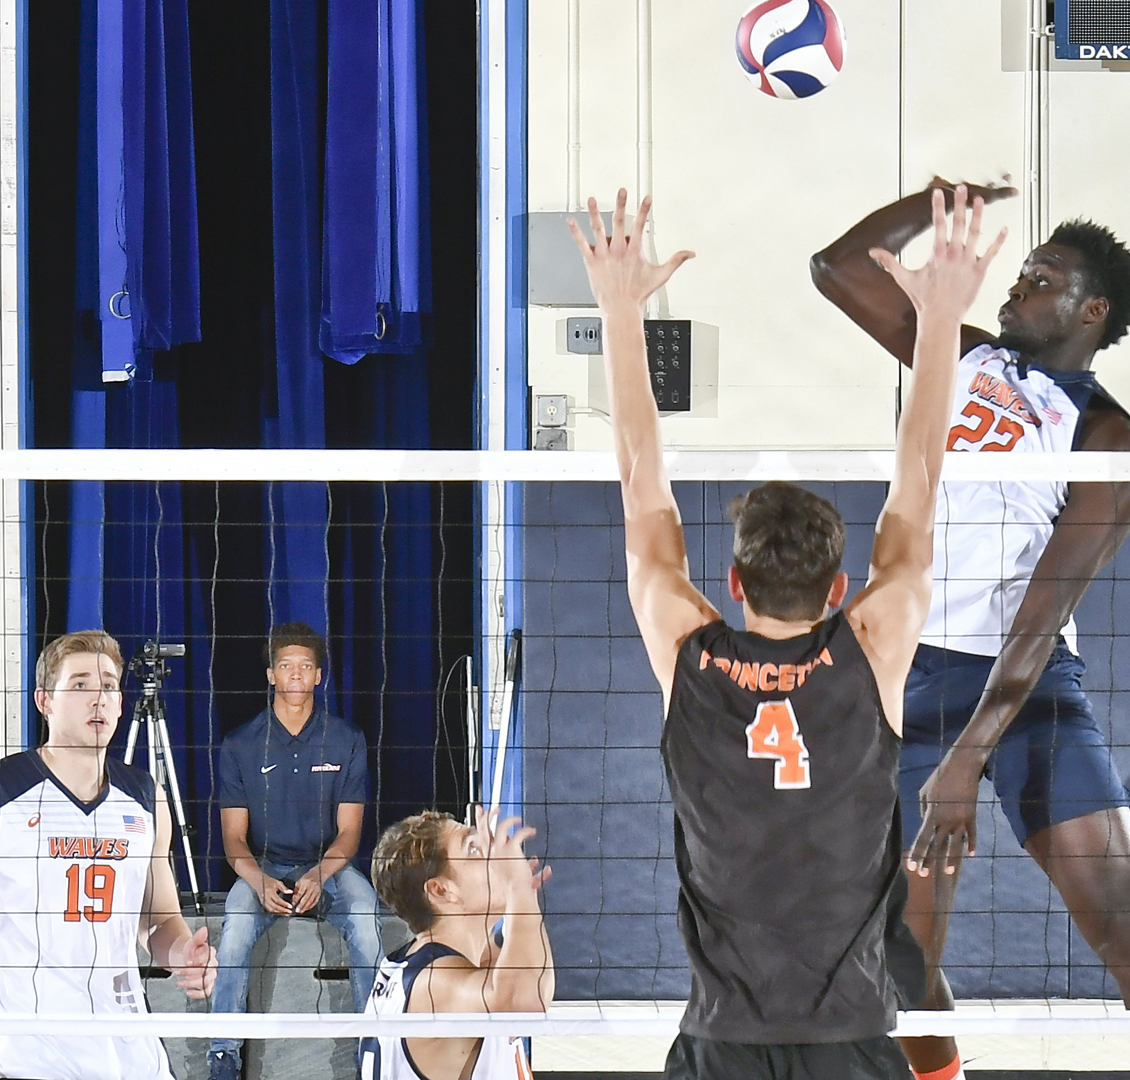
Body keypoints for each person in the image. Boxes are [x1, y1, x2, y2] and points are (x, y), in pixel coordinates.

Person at [570, 184, 1002, 1080]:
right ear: (840, 587)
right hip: (848, 1041)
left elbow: (639, 479)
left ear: (730, 583)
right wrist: (940, 320)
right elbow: (919, 476)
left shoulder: (690, 653)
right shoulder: (870, 646)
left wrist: (618, 310)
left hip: (722, 1039)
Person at [813, 180, 1130, 1080]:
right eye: (1023, 272)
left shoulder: (1105, 435)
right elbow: (837, 269)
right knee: (904, 961)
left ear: (1091, 310)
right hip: (907, 680)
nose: (1017, 286)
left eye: (1041, 278)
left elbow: (1044, 611)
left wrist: (967, 758)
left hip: (1025, 687)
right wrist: (934, 201)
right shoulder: (966, 359)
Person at [0, 630, 217, 1080]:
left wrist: (184, 956)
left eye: (108, 685)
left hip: (130, 1053)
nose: (97, 698)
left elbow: (157, 919)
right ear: (45, 701)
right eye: (79, 684)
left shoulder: (145, 797)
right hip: (28, 1054)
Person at [209, 623, 382, 1080]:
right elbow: (233, 839)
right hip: (265, 867)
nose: (296, 674)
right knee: (234, 931)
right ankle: (223, 1056)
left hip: (326, 867)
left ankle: (374, 1047)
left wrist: (319, 875)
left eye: (306, 666)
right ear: (271, 674)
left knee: (366, 918)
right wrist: (260, 881)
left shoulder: (346, 739)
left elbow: (349, 832)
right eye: (286, 666)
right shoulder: (241, 743)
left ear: (318, 676)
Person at [360, 809, 551, 1080]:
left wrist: (521, 894)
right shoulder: (434, 983)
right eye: (474, 849)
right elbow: (528, 1000)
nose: (492, 855)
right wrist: (519, 890)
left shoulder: (434, 963)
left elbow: (527, 974)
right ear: (441, 891)